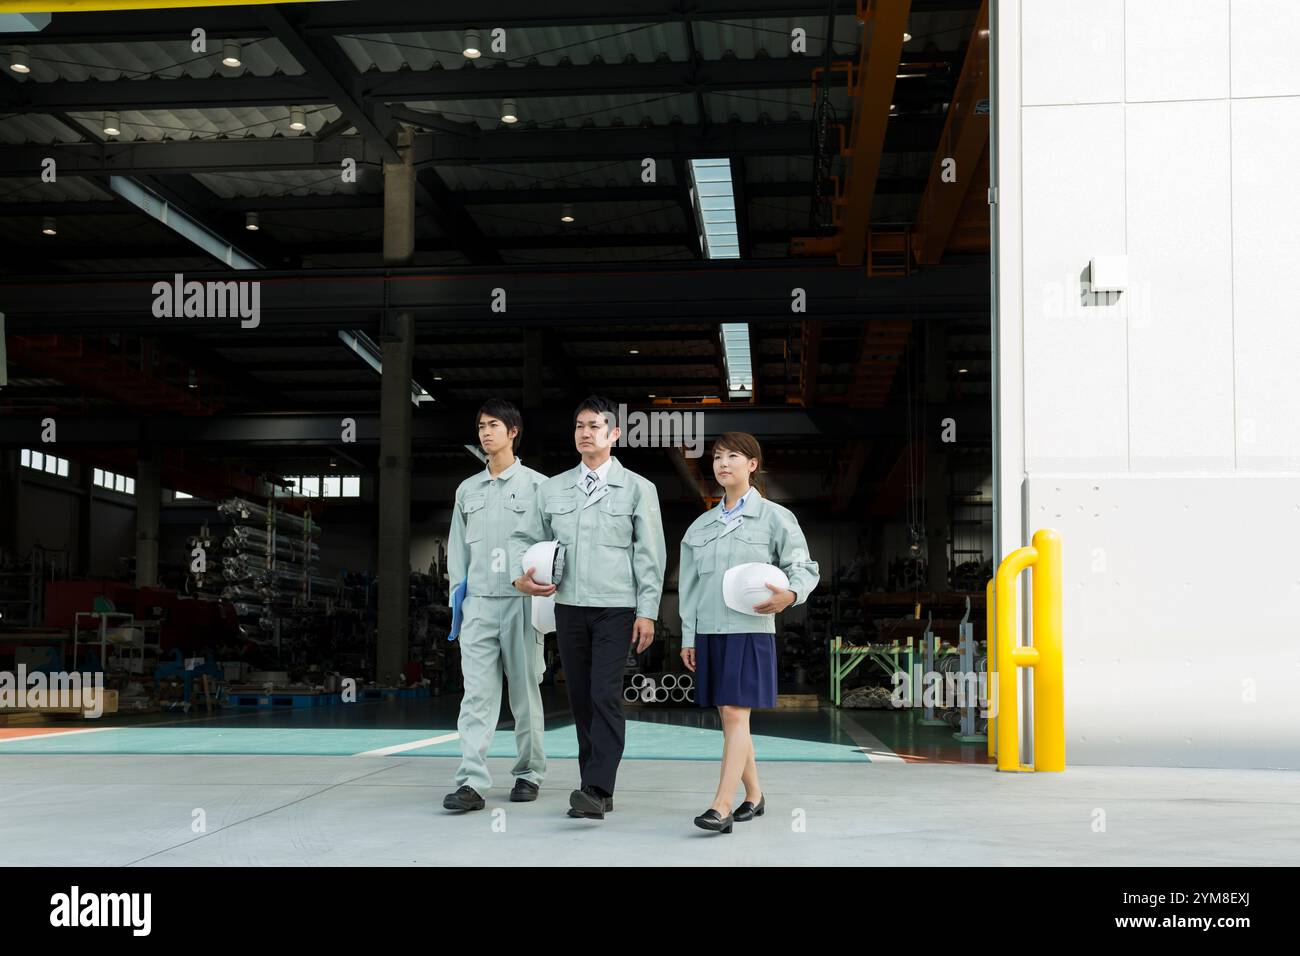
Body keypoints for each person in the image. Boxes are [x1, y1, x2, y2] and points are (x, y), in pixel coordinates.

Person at [510, 395, 666, 820]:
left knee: (604, 694)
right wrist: (519, 576)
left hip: (616, 607)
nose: (585, 433)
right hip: (569, 607)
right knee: (580, 697)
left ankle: (596, 787)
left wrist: (647, 610)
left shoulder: (638, 489)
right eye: (579, 426)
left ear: (614, 433)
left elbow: (650, 555)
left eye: (595, 426)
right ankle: (593, 786)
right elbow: (524, 540)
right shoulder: (553, 488)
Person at [678, 432, 819, 833]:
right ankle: (754, 796)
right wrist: (689, 636)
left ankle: (721, 806)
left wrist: (791, 594)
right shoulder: (700, 527)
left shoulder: (775, 518)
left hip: (749, 630)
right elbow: (689, 588)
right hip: (709, 632)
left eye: (733, 456)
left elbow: (804, 568)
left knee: (737, 714)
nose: (723, 463)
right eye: (718, 457)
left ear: (752, 465)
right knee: (729, 716)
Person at [442, 399, 548, 812]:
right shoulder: (467, 491)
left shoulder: (540, 487)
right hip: (480, 606)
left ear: (513, 432)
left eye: (493, 426)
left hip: (523, 603)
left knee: (525, 694)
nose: (485, 433)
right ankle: (471, 782)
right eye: (481, 426)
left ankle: (528, 773)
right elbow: (457, 554)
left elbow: (553, 550)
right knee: (476, 696)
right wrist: (460, 604)